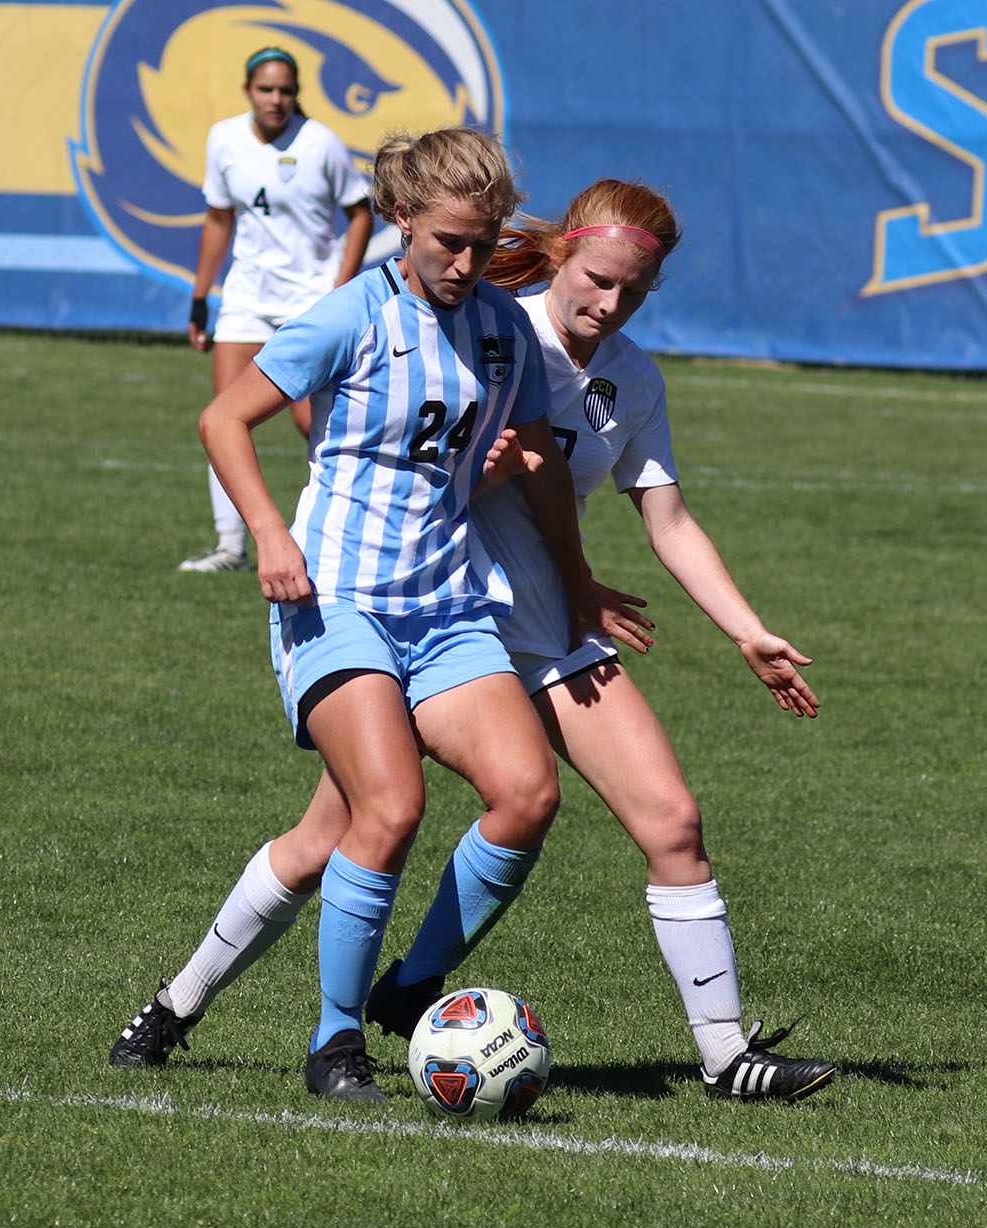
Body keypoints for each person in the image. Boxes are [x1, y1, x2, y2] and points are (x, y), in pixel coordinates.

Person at [114, 179, 837, 1105]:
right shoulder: (488, 318)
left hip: (536, 625)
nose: (607, 305)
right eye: (597, 280)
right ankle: (186, 1001)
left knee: (670, 820)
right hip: (442, 611)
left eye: (633, 292)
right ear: (561, 254)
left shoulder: (628, 375)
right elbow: (361, 428)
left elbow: (663, 515)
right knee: (333, 836)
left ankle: (715, 1051)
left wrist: (744, 630)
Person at [114, 127, 603, 1104]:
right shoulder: (349, 315)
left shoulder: (503, 329)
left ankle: (367, 987)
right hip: (334, 602)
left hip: (444, 608)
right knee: (389, 810)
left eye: (482, 241)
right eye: (448, 242)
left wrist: (576, 578)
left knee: (520, 796)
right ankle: (335, 1046)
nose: (465, 262)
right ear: (401, 221)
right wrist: (268, 534)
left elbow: (537, 461)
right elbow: (223, 421)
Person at [178, 46, 374, 573]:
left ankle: (337, 533)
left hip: (307, 303)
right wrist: (201, 297)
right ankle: (230, 548)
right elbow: (219, 219)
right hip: (245, 298)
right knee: (225, 415)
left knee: (312, 421)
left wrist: (340, 287)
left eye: (286, 90)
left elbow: (360, 212)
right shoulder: (224, 138)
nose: (276, 100)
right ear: (248, 90)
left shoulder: (321, 144)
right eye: (266, 89)